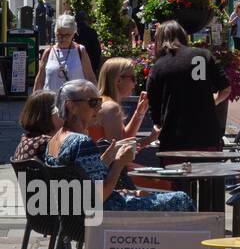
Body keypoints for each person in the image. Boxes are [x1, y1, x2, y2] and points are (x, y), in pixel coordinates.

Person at [45, 79, 194, 212]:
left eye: (99, 102)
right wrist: (119, 163)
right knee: (181, 198)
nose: (98, 109)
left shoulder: (54, 141)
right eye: (93, 103)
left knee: (152, 195)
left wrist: (108, 158)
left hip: (73, 216)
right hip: (105, 213)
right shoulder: (81, 142)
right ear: (71, 106)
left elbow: (85, 177)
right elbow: (99, 196)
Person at [146, 21, 231, 152]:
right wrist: (211, 102)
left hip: (174, 141)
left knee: (175, 172)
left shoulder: (158, 67)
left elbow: (155, 113)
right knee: (209, 171)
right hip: (207, 136)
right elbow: (225, 89)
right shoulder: (204, 55)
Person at [95, 58, 156, 146]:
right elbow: (119, 152)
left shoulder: (105, 103)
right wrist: (151, 138)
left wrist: (139, 113)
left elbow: (125, 138)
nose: (135, 83)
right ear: (118, 80)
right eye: (133, 78)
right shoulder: (110, 107)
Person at [33, 15, 95, 94]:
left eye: (67, 35)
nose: (63, 39)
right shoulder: (48, 52)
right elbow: (40, 80)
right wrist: (34, 101)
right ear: (55, 33)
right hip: (50, 103)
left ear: (73, 34)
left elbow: (90, 77)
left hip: (75, 103)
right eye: (60, 35)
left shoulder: (80, 51)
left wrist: (95, 99)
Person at [13, 89, 62, 163]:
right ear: (47, 115)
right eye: (59, 111)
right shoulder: (46, 143)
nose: (64, 115)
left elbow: (21, 174)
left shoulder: (25, 140)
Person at [74, 10, 104, 77]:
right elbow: (97, 50)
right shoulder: (92, 32)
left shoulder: (73, 34)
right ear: (86, 20)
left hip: (75, 65)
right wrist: (95, 66)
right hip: (90, 64)